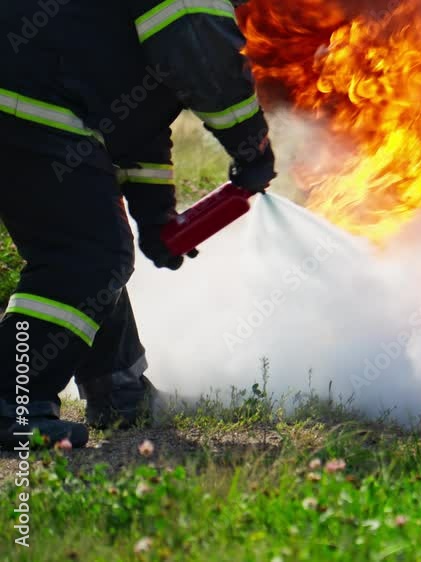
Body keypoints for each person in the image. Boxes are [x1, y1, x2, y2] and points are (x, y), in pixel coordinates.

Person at [0, 0, 276, 449]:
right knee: (89, 253)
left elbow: (134, 121)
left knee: (90, 245)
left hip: (35, 99)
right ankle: (12, 402)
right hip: (28, 98)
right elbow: (201, 57)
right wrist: (251, 145)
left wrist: (155, 216)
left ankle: (117, 389)